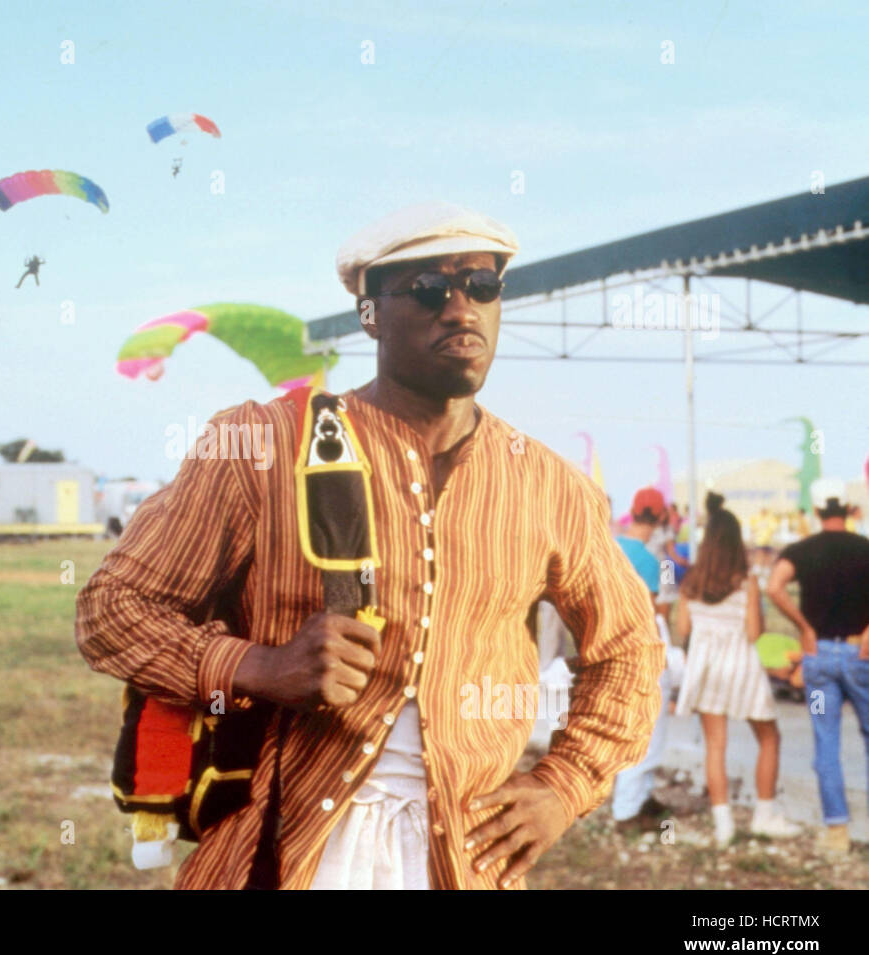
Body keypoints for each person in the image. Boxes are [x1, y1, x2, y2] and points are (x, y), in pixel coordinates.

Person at [75, 202, 664, 890]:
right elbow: (111, 610)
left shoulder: (547, 483)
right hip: (281, 851)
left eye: (481, 285)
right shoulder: (264, 445)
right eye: (426, 289)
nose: (459, 308)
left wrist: (564, 784)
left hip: (465, 862)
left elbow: (629, 648)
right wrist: (256, 665)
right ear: (371, 313)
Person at [674, 493, 800, 845]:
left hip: (705, 667)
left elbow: (682, 629)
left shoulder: (691, 582)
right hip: (740, 665)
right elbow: (754, 633)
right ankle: (764, 814)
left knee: (716, 746)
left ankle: (724, 825)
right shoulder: (746, 582)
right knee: (769, 737)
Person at [766, 478, 869, 855]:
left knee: (826, 743)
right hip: (862, 657)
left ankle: (837, 832)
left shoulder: (801, 550)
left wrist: (804, 627)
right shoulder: (864, 548)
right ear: (848, 508)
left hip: (819, 658)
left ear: (816, 510)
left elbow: (773, 587)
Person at [609, 488, 675, 832]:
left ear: (632, 513)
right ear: (662, 517)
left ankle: (639, 798)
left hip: (608, 644)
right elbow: (650, 612)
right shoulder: (652, 561)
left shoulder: (609, 548)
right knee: (648, 728)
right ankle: (628, 810)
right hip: (639, 647)